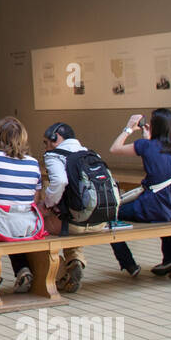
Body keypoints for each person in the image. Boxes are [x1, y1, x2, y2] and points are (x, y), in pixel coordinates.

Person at [108, 108, 171, 277]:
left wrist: (128, 128)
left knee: (109, 216)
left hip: (152, 207)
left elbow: (114, 149)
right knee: (165, 216)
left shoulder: (145, 146)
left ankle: (128, 263)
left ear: (155, 126)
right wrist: (148, 140)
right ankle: (170, 257)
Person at [0, 117, 43, 293]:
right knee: (12, 229)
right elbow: (36, 199)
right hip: (27, 225)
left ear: (0, 137)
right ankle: (22, 270)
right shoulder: (33, 163)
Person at [40, 121, 105, 293]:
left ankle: (60, 272)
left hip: (73, 223)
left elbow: (60, 182)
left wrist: (46, 204)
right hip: (99, 220)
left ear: (56, 138)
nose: (46, 147)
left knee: (37, 227)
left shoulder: (54, 156)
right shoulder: (91, 154)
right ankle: (75, 259)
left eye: (47, 142)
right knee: (70, 216)